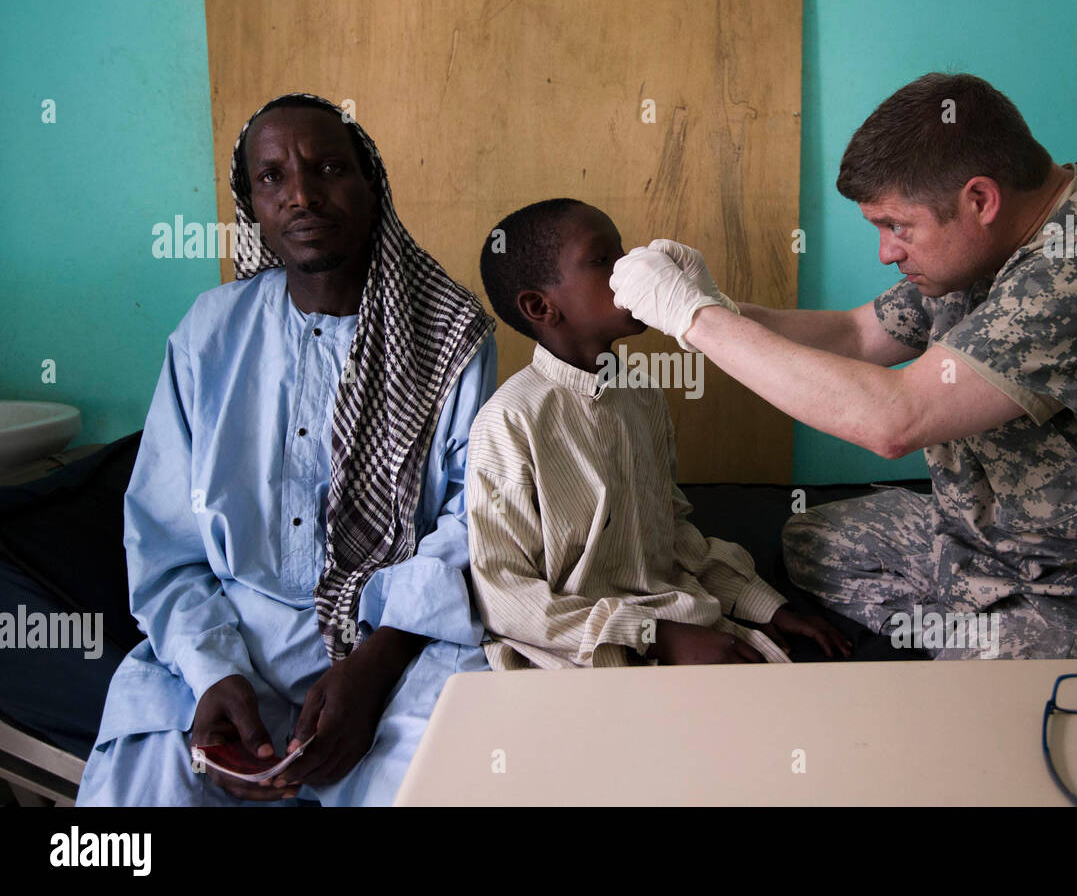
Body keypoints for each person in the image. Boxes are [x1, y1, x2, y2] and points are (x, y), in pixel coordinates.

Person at [610, 72, 1077, 660]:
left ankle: (1001, 641)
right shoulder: (989, 243)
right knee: (815, 540)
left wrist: (694, 321)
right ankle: (988, 627)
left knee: (978, 710)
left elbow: (895, 421)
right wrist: (720, 305)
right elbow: (855, 334)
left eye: (895, 227)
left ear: (980, 200)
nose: (884, 252)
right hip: (1006, 543)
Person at [76, 93, 496, 806]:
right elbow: (165, 542)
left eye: (328, 168)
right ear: (252, 205)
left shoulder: (450, 337)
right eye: (271, 178)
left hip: (398, 640)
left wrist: (369, 673)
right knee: (141, 793)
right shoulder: (210, 334)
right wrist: (214, 673)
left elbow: (475, 523)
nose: (301, 194)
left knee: (443, 778)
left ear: (371, 186)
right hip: (233, 636)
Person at [466, 199, 850, 669]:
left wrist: (762, 605)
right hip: (578, 655)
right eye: (602, 259)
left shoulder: (641, 394)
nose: (631, 268)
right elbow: (505, 598)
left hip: (681, 620)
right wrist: (654, 636)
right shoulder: (508, 423)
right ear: (541, 306)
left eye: (623, 251)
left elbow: (669, 533)